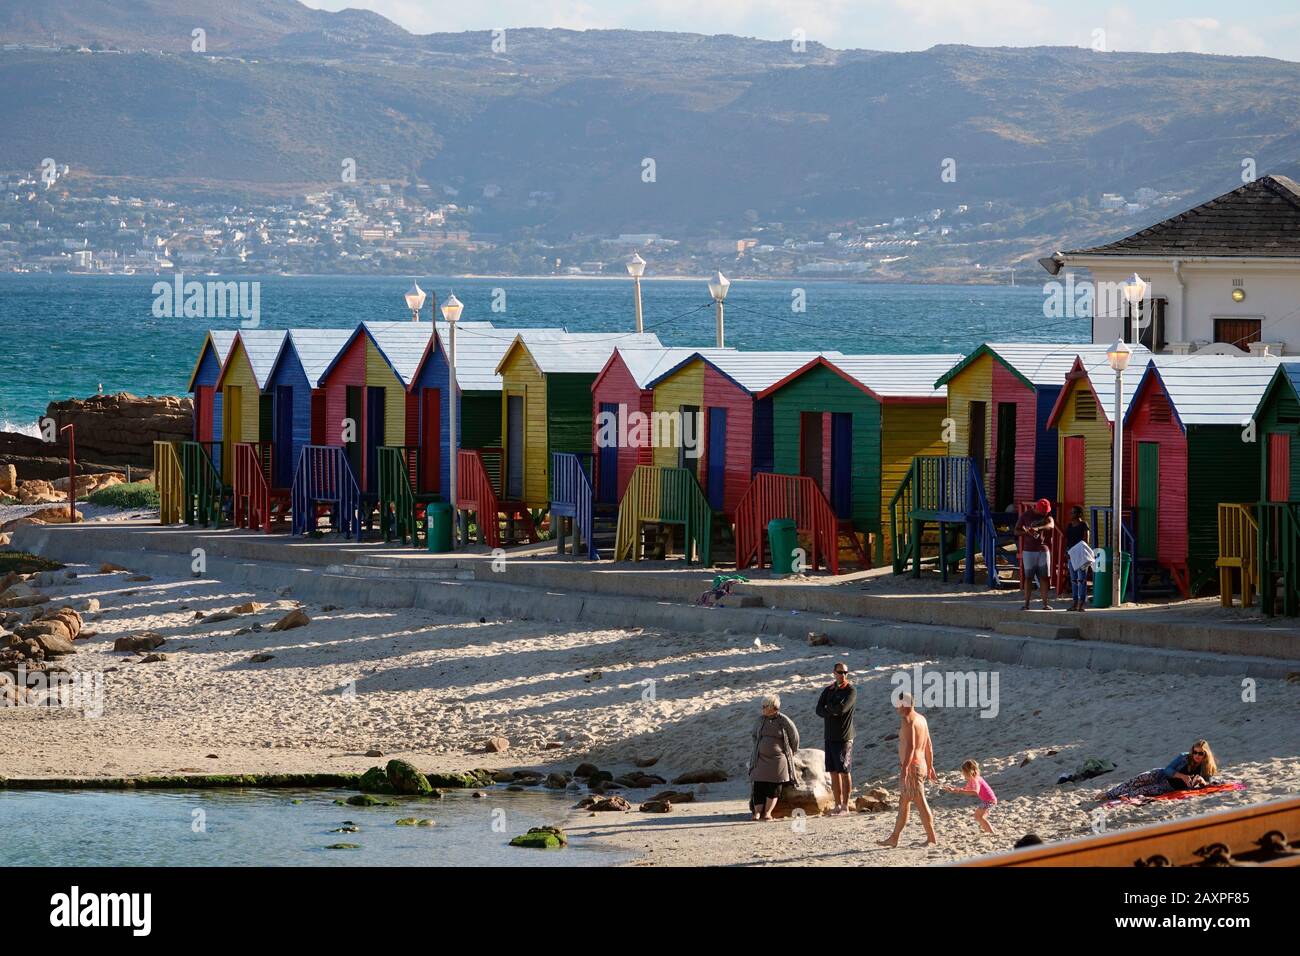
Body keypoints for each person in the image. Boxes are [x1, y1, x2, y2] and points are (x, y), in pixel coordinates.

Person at [878, 692, 937, 847]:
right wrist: (930, 766)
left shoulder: (908, 720)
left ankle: (932, 838)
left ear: (904, 704)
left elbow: (910, 747)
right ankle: (894, 837)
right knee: (904, 802)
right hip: (921, 764)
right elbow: (929, 746)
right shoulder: (922, 719)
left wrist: (904, 771)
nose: (896, 708)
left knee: (920, 801)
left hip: (912, 767)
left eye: (898, 704)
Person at [1100, 739, 1219, 802]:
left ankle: (1118, 797)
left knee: (1139, 791)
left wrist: (1202, 781)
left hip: (1167, 787)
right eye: (1195, 752)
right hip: (1160, 775)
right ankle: (1108, 794)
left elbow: (1208, 785)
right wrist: (1182, 776)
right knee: (1135, 781)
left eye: (1200, 753)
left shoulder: (1206, 767)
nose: (1197, 755)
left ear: (1206, 754)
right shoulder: (1184, 757)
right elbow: (1168, 770)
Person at [748, 694, 800, 821]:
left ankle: (768, 813)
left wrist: (791, 752)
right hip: (760, 758)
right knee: (758, 785)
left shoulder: (783, 720)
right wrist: (759, 747)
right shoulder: (760, 720)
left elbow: (794, 737)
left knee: (774, 787)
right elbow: (754, 735)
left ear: (773, 708)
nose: (762, 708)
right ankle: (757, 813)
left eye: (765, 706)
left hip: (778, 760)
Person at [816, 661, 856, 816]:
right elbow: (818, 709)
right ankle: (838, 805)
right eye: (840, 672)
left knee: (845, 771)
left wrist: (829, 709)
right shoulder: (828, 690)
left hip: (845, 737)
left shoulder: (851, 690)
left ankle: (845, 805)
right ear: (834, 672)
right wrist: (831, 709)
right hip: (830, 736)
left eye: (845, 672)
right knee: (833, 772)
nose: (843, 675)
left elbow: (842, 709)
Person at [1015, 499, 1055, 611]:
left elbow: (1051, 525)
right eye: (1043, 511)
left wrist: (1038, 528)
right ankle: (1026, 604)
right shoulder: (1026, 515)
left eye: (1046, 511)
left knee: (1044, 577)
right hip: (1029, 550)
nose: (1045, 513)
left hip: (1043, 550)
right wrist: (1026, 532)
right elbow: (1016, 531)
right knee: (1028, 578)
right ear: (1037, 508)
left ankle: (1045, 604)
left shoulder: (1047, 516)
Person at [944, 759, 997, 834]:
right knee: (980, 817)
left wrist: (960, 791)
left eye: (964, 772)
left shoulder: (975, 780)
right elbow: (966, 789)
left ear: (969, 772)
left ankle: (991, 832)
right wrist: (954, 790)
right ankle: (987, 830)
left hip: (989, 801)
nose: (963, 774)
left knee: (978, 816)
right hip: (988, 800)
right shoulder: (972, 780)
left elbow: (975, 792)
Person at [1064, 507, 1093, 612]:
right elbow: (1067, 540)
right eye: (1071, 512)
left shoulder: (1083, 525)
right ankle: (1074, 602)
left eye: (1074, 512)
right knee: (1073, 580)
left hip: (1080, 555)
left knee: (1081, 579)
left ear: (1079, 514)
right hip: (1071, 555)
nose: (1071, 514)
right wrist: (1066, 552)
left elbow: (1086, 540)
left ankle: (1081, 603)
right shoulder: (1069, 526)